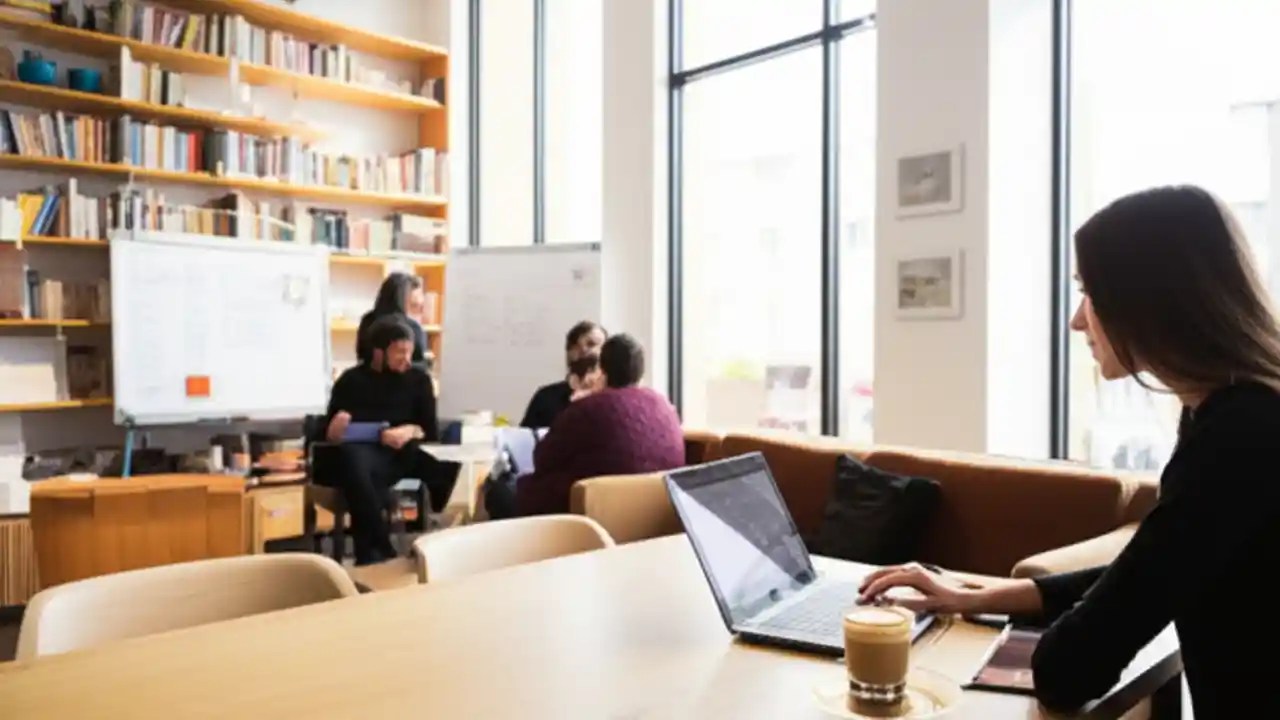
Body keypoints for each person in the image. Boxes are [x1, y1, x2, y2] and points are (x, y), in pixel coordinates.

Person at [856, 185, 1280, 717]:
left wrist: (1053, 629)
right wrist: (976, 596)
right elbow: (1151, 570)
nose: (1079, 320)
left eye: (1091, 294)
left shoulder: (1240, 438)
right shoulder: (1238, 412)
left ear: (1151, 301)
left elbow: (1068, 669)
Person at [325, 316, 456, 565]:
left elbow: (429, 431)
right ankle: (377, 549)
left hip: (404, 453)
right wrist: (335, 428)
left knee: (359, 474)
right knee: (355, 465)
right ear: (378, 352)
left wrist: (408, 430)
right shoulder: (351, 381)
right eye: (399, 353)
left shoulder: (419, 381)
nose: (407, 359)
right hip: (364, 454)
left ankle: (375, 550)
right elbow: (329, 434)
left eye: (409, 352)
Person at [516, 333, 685, 516]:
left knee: (501, 490)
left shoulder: (589, 408)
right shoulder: (665, 406)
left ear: (602, 368)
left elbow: (542, 458)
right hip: (657, 512)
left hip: (591, 514)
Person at [520, 320, 607, 429]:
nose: (583, 350)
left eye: (591, 344)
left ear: (605, 353)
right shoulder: (545, 396)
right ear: (568, 352)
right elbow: (524, 439)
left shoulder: (611, 400)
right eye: (575, 345)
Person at [356, 272, 430, 371]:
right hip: (403, 383)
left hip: (367, 382)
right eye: (413, 305)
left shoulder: (367, 321)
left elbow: (361, 357)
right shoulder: (412, 327)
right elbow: (419, 367)